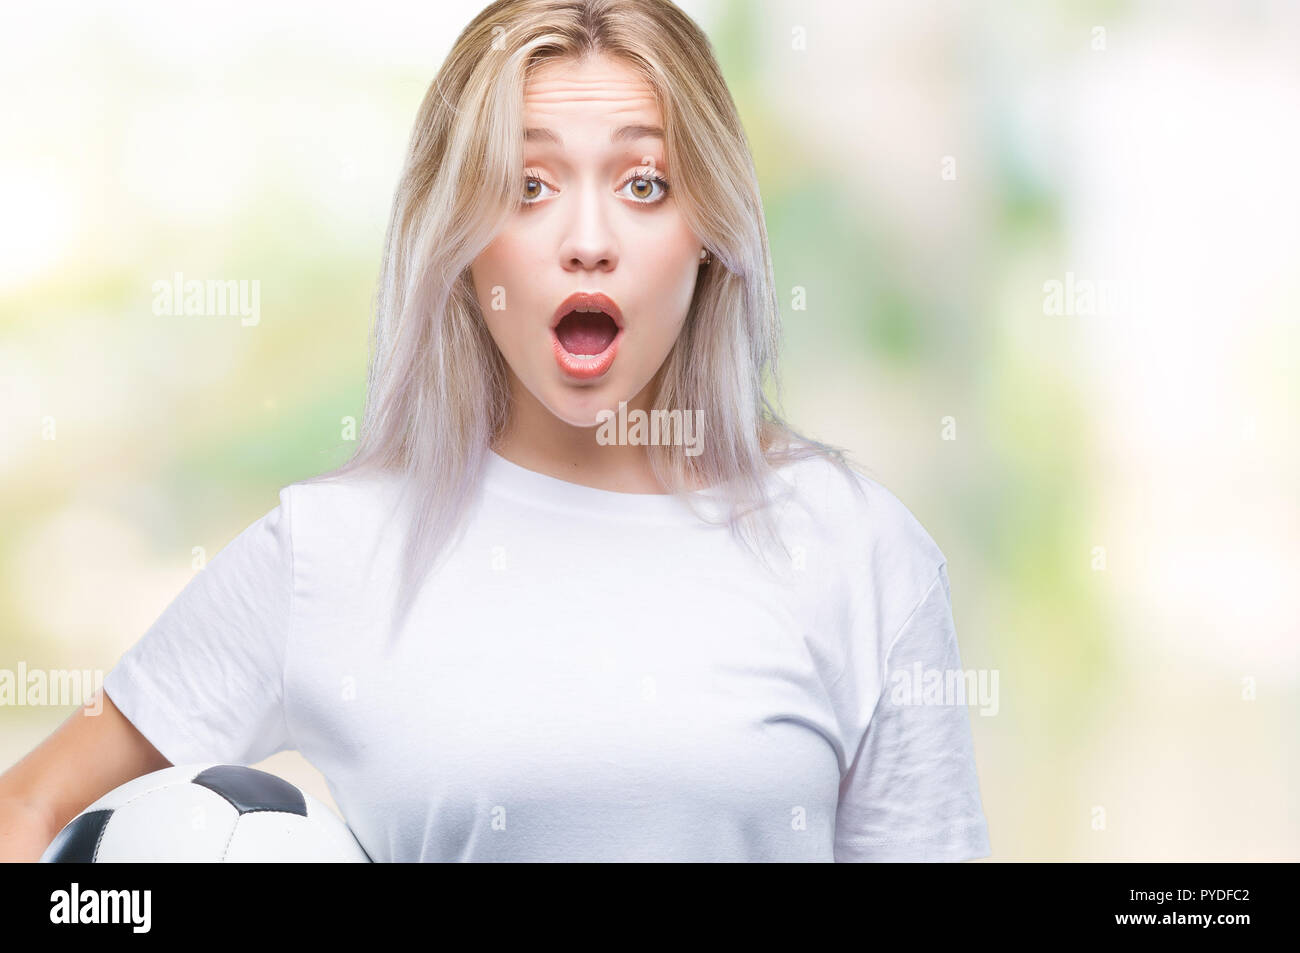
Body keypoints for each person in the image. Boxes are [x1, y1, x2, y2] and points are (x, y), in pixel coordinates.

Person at [0, 0, 991, 862]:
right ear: (462, 238)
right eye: (528, 185)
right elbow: (29, 802)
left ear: (710, 234)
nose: (588, 240)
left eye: (644, 183)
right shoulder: (330, 553)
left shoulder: (859, 550)